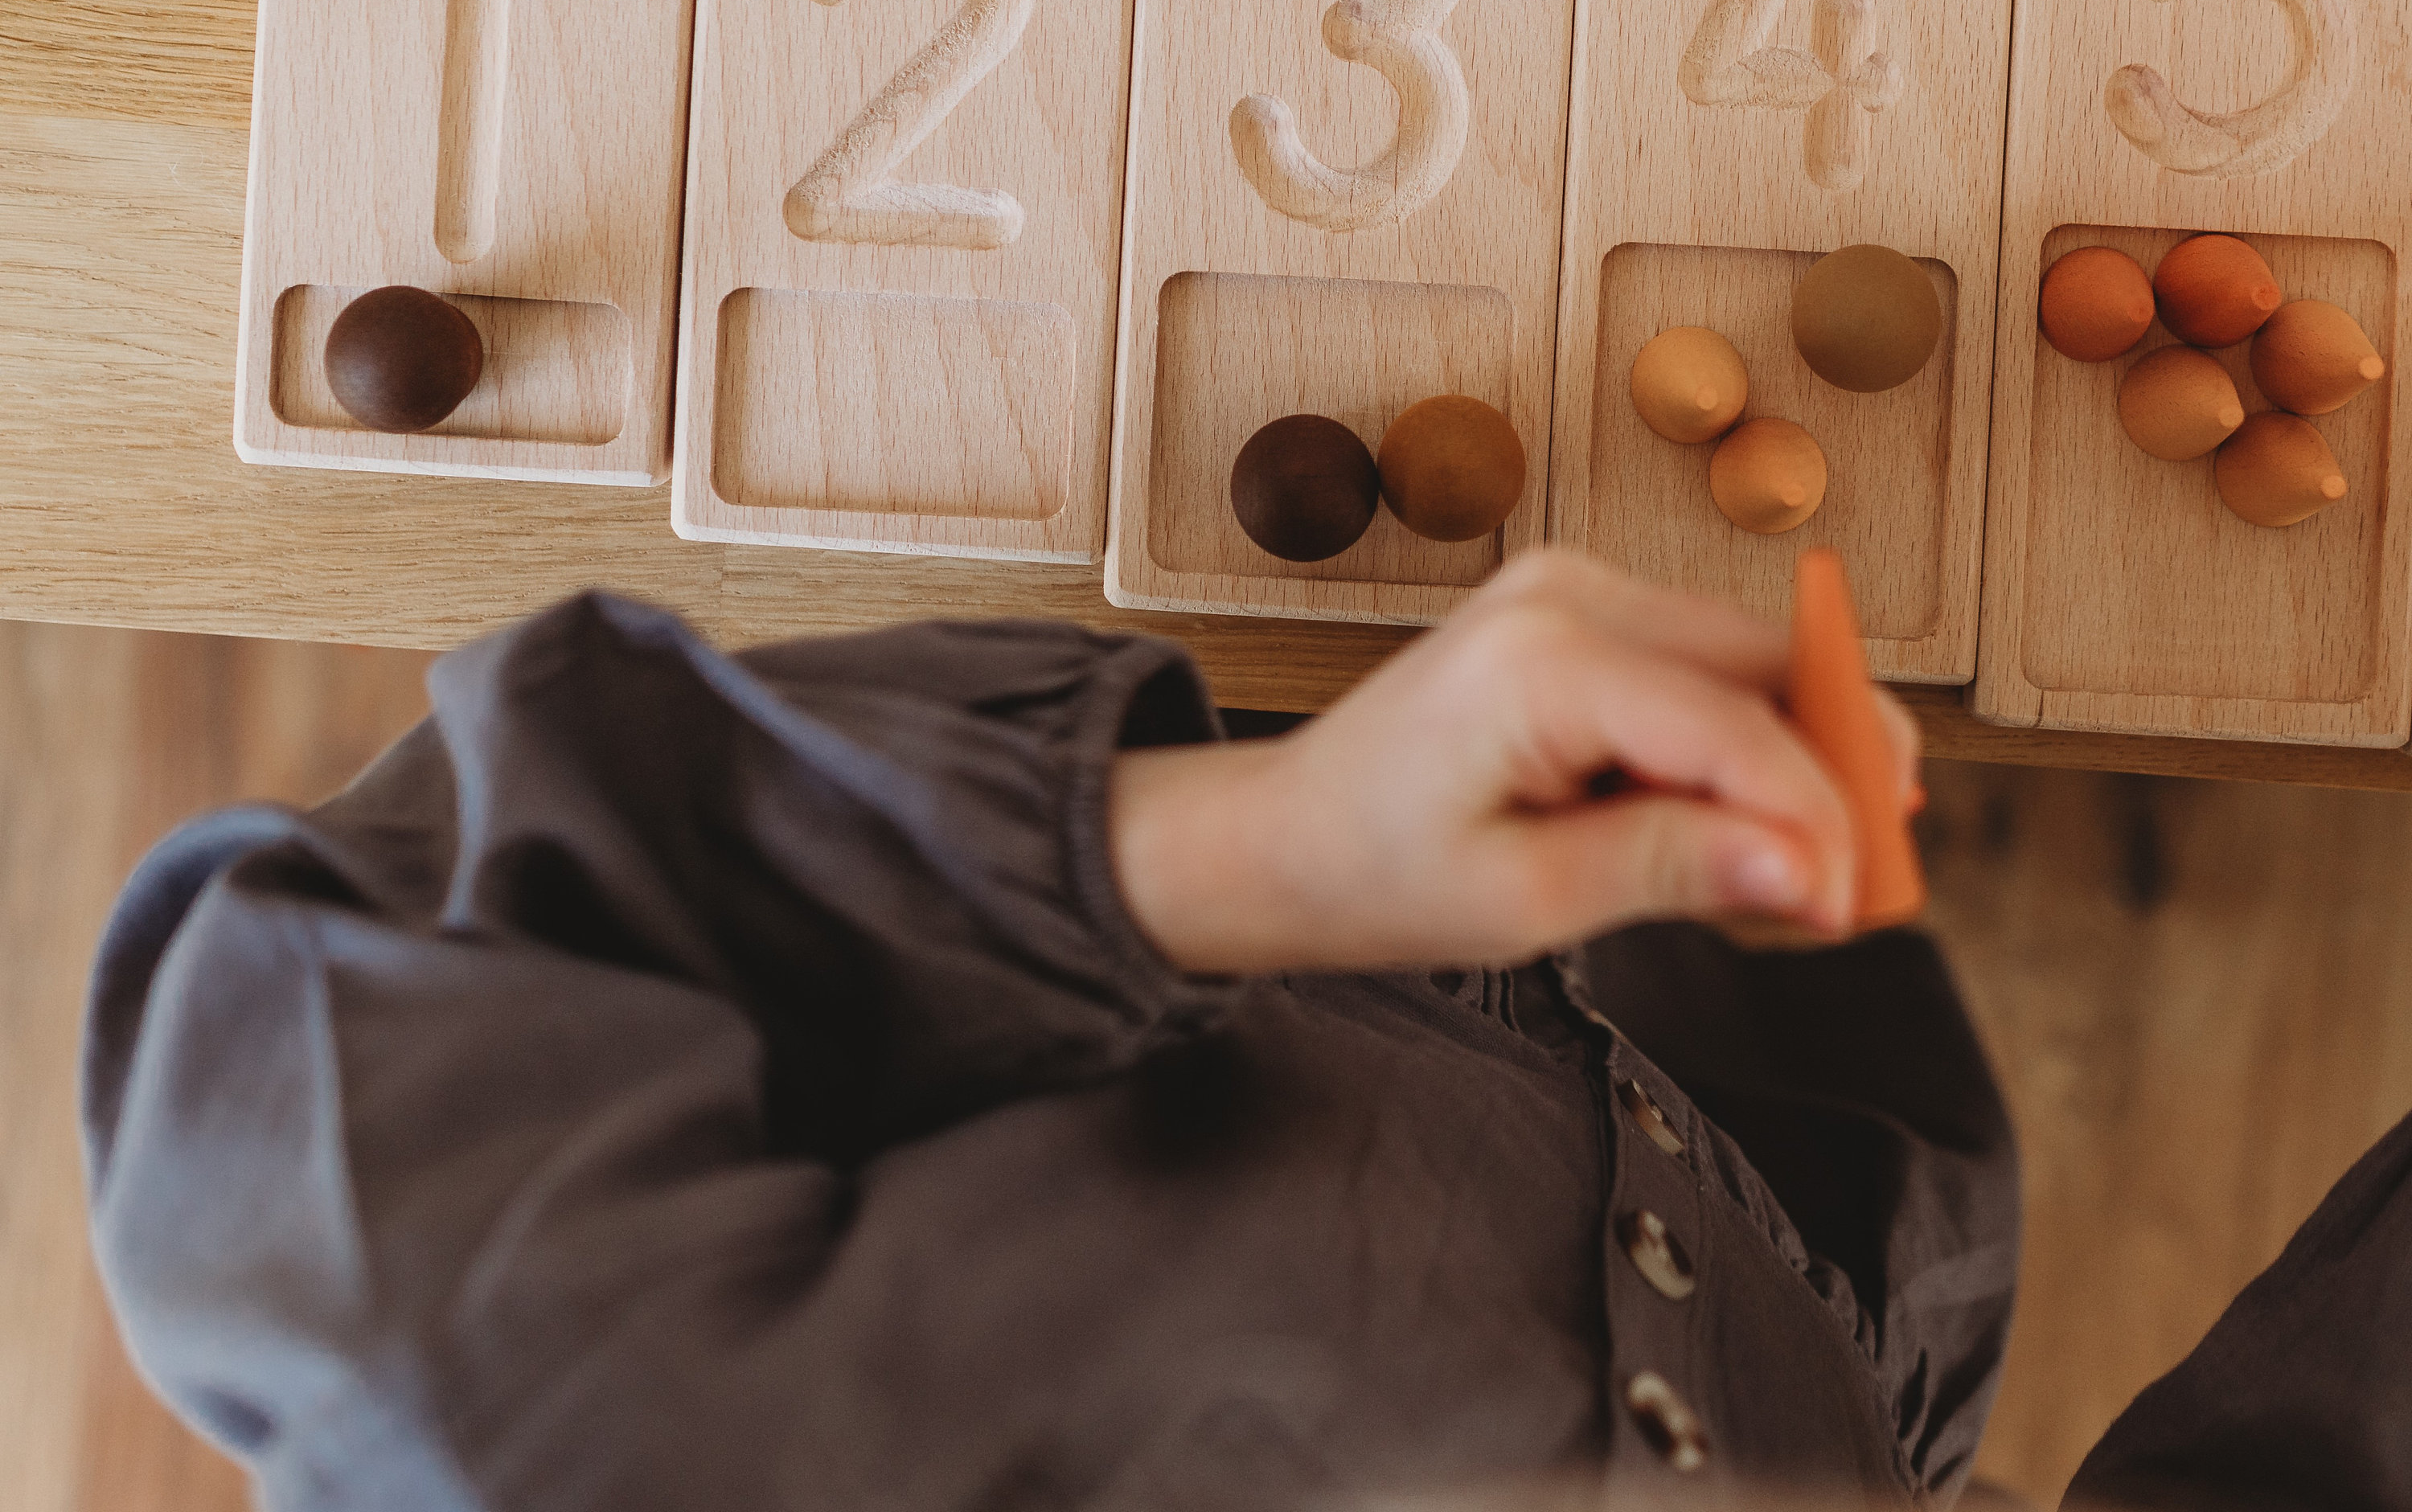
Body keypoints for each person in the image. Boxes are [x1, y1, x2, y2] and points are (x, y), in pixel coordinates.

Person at [78, 553, 2409, 1509]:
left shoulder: (576, 1415)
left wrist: (1268, 847)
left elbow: (310, 1129)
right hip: (1799, 1337)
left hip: (1166, 932)